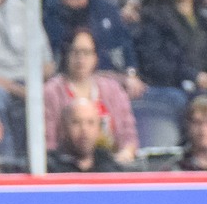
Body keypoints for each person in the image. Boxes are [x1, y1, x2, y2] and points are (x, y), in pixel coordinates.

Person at [42, 27, 137, 166]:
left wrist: (127, 152)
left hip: (111, 166)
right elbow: (48, 144)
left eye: (87, 53)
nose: (81, 59)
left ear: (95, 57)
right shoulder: (51, 92)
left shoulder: (113, 89)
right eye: (76, 52)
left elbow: (129, 135)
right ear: (66, 54)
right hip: (66, 168)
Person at [45, 95, 120, 172]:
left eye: (91, 122)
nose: (84, 129)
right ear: (64, 127)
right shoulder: (49, 166)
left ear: (98, 128)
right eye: (76, 122)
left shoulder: (107, 162)